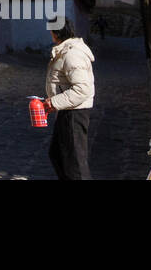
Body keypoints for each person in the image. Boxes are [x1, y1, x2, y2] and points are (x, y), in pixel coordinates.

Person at [43, 19, 96, 180]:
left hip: (75, 112)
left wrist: (54, 102)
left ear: (56, 33)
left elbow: (82, 88)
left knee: (75, 163)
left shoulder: (72, 54)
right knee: (58, 153)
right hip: (66, 110)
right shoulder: (64, 51)